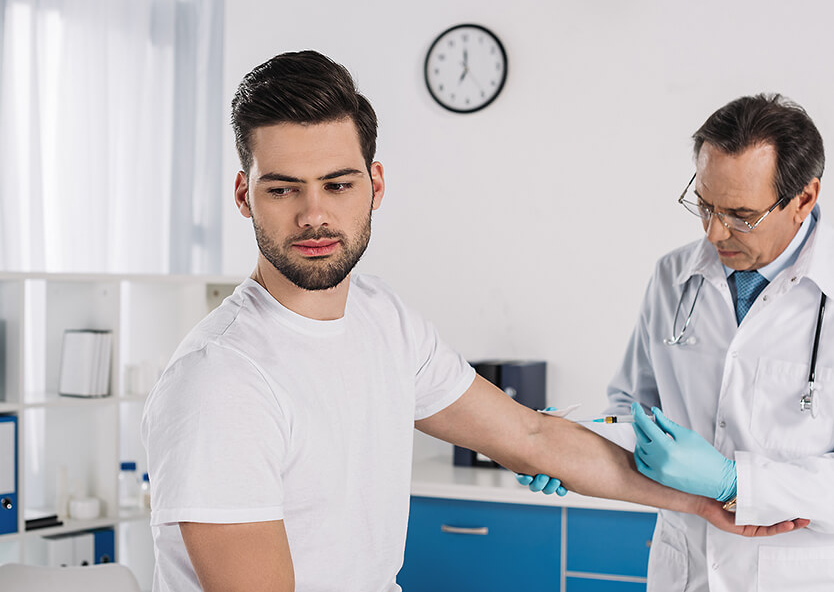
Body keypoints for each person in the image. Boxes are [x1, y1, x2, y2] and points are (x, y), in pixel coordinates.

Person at [141, 56, 802, 592]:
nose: (315, 214)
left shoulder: (383, 320)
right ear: (242, 194)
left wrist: (702, 501)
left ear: (375, 183)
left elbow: (531, 436)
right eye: (283, 188)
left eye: (337, 184)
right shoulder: (222, 382)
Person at [520, 93, 833, 591]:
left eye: (740, 214)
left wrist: (736, 481)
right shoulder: (674, 276)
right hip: (684, 569)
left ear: (804, 199)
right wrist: (576, 447)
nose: (714, 233)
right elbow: (633, 411)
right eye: (704, 206)